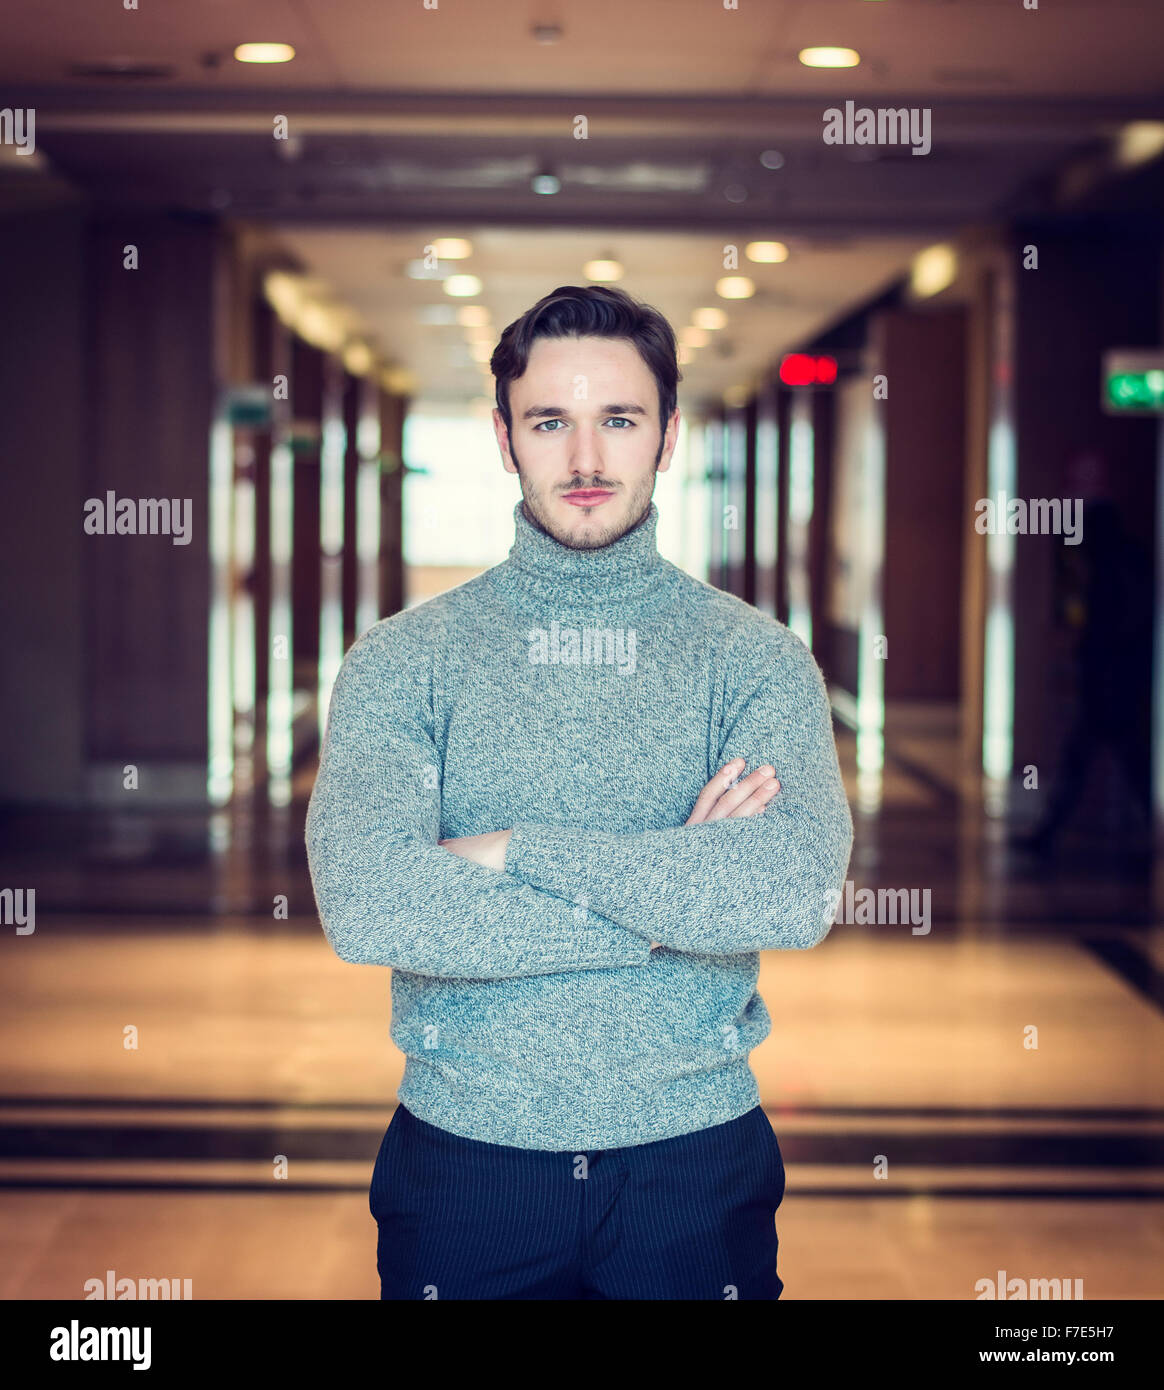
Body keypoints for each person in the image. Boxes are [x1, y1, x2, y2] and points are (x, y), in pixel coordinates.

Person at [305, 284, 854, 1299]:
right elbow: (371, 904)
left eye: (620, 420)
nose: (588, 459)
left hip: (692, 1162)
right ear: (505, 439)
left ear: (669, 436)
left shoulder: (756, 661)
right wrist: (670, 898)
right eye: (551, 421)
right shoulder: (402, 662)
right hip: (468, 1163)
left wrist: (513, 851)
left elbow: (789, 894)